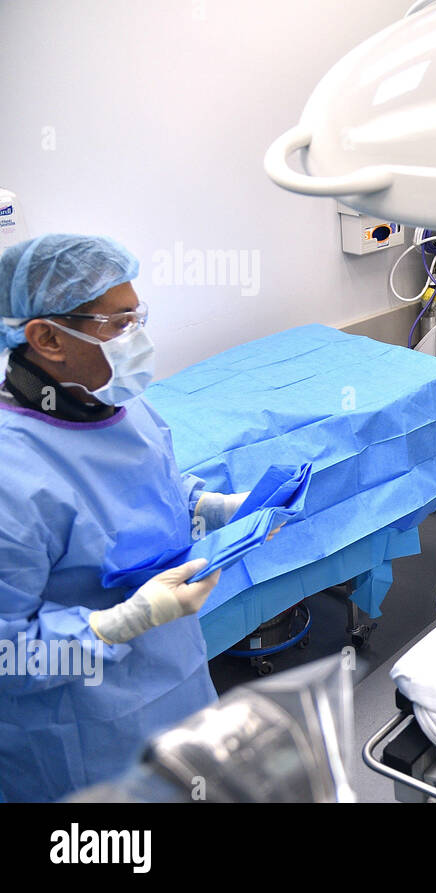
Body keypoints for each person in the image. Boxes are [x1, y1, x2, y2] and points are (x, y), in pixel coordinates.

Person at [0, 234, 248, 801]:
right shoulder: (11, 475)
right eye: (119, 324)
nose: (139, 339)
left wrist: (208, 509)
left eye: (139, 317)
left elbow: (156, 487)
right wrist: (121, 622)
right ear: (46, 338)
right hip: (78, 733)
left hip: (176, 678)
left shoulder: (117, 404)